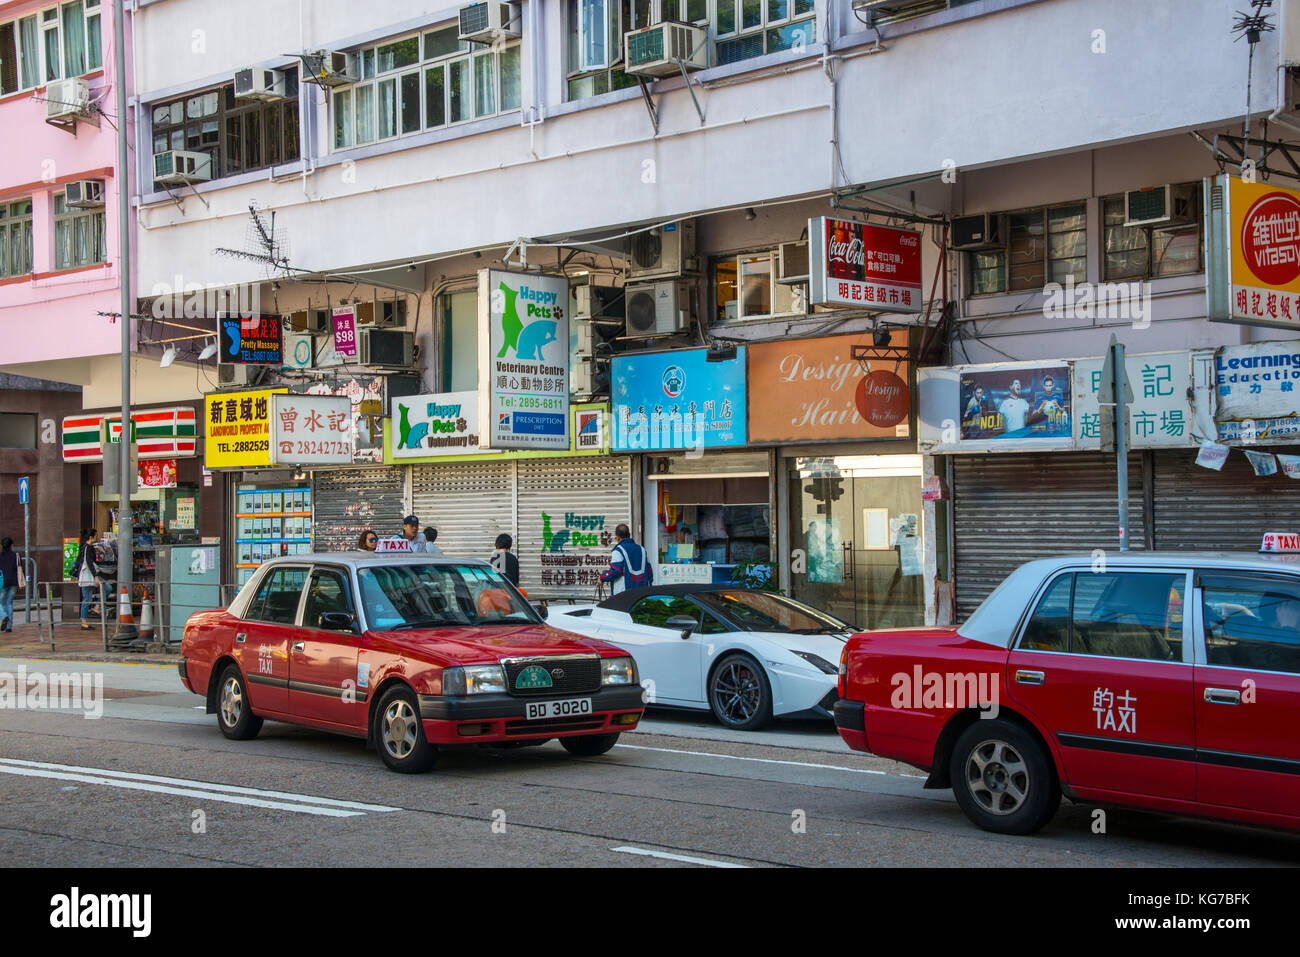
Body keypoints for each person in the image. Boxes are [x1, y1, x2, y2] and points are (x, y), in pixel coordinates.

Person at [600, 524, 653, 595]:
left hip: (623, 596)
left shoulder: (618, 550)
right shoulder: (642, 549)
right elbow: (649, 572)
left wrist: (602, 577)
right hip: (642, 594)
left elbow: (615, 571)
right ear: (629, 535)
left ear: (618, 538)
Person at [74, 528, 100, 631]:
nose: (96, 537)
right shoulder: (88, 548)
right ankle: (84, 622)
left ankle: (96, 608)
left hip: (88, 576)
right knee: (86, 599)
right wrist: (96, 576)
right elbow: (89, 562)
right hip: (87, 576)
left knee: (106, 588)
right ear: (91, 537)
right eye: (95, 535)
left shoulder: (85, 547)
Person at [0, 537, 23, 632]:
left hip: (2, 582)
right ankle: (9, 627)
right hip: (14, 582)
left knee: (1, 603)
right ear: (12, 545)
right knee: (9, 603)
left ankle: (4, 616)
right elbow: (20, 569)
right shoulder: (15, 555)